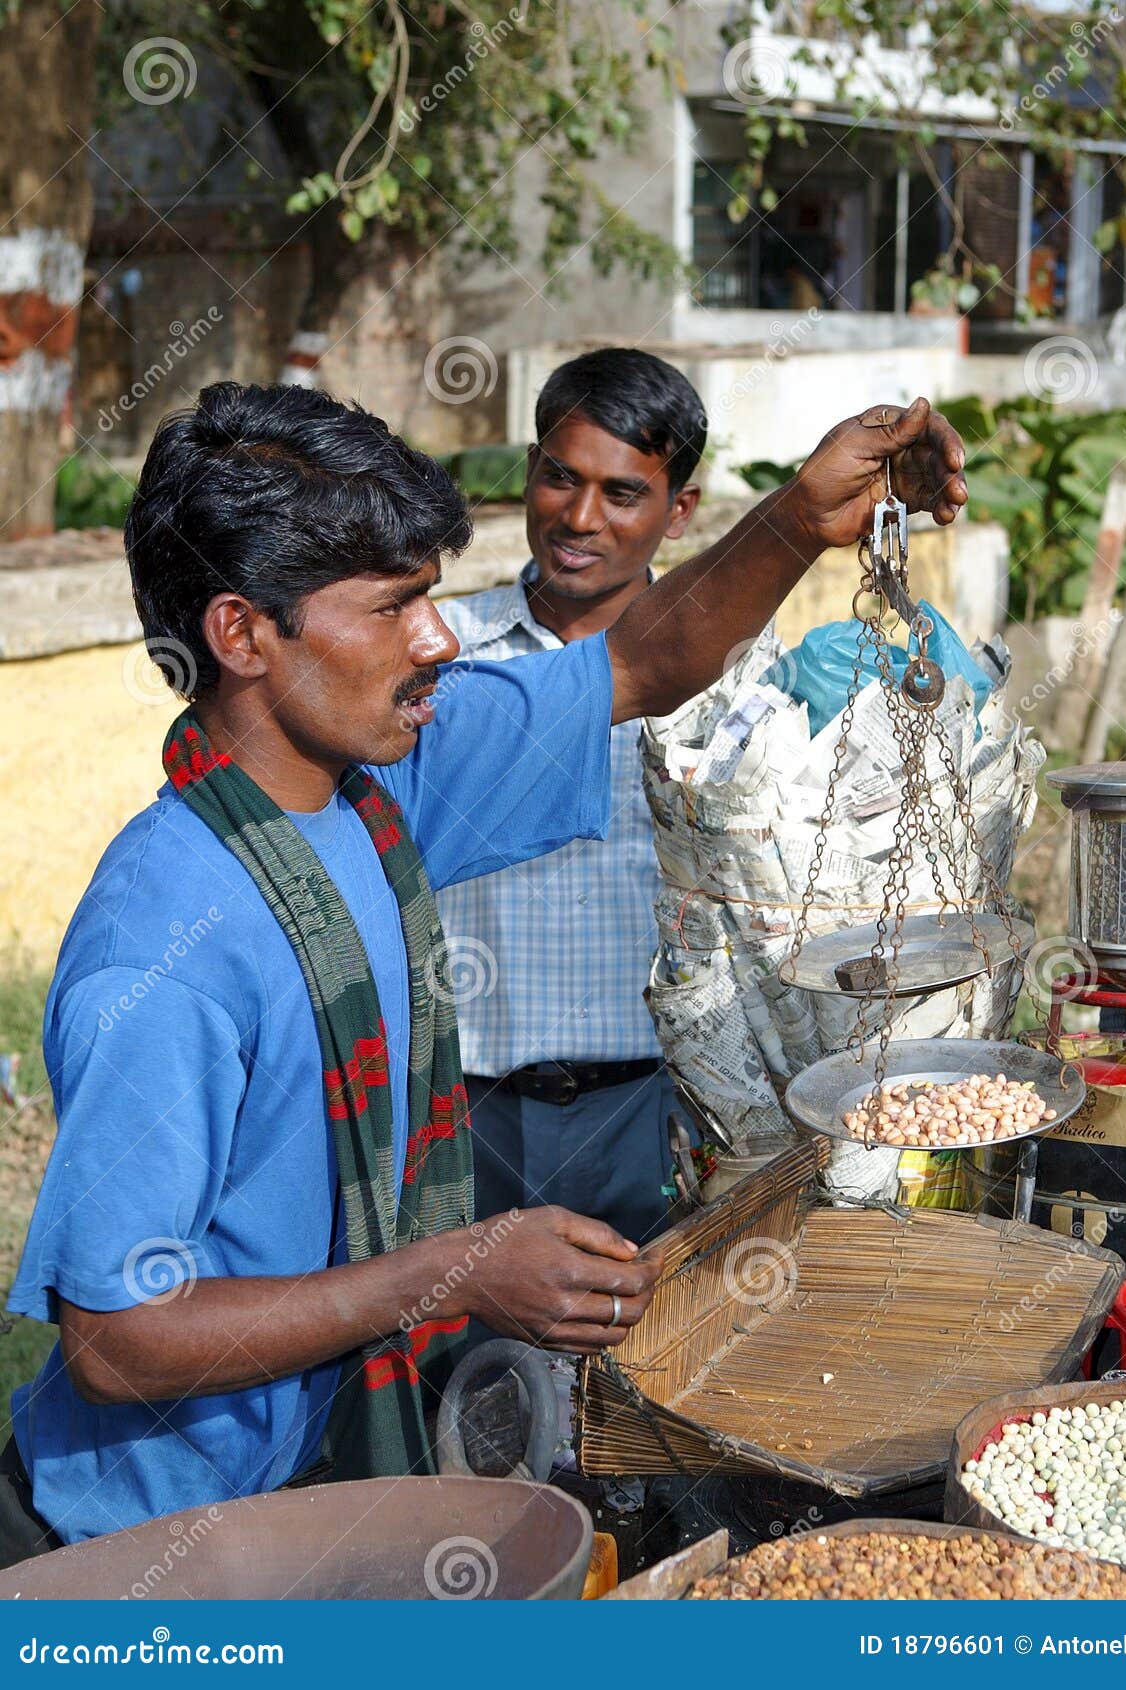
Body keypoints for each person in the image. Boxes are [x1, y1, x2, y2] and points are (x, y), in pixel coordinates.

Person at [2, 381, 967, 1560]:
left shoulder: (376, 790)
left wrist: (798, 518)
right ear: (242, 632)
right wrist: (450, 1269)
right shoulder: (165, 942)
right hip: (151, 1552)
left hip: (314, 1487)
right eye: (395, 605)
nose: (440, 638)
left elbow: (640, 662)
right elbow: (118, 1340)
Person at [437, 348, 705, 1246]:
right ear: (530, 473)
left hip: (656, 1109)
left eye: (623, 493)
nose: (579, 518)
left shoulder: (730, 685)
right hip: (465, 1108)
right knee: (461, 1374)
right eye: (560, 477)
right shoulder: (439, 653)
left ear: (680, 513)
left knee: (644, 1366)